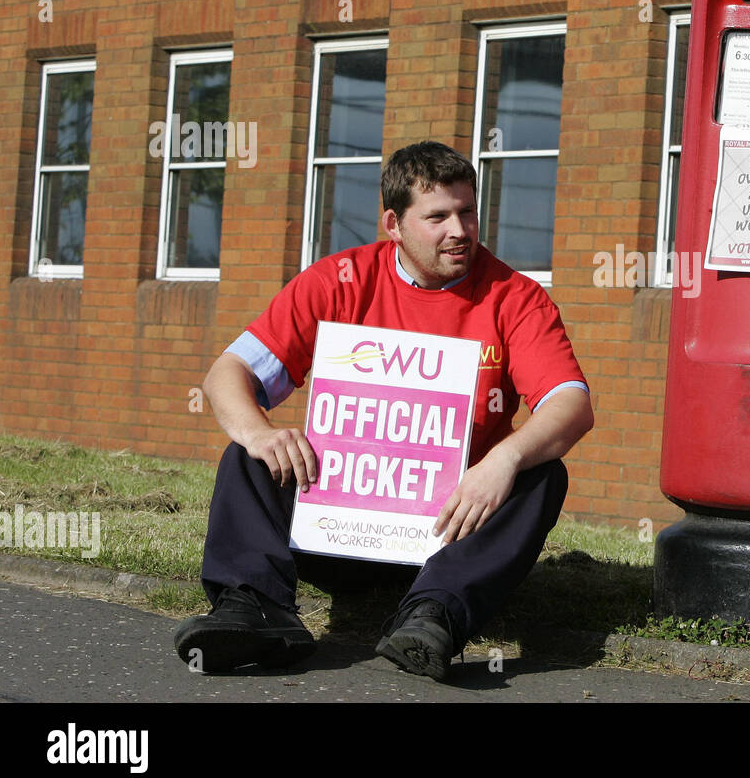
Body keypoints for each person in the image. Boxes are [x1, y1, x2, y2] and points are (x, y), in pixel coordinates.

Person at [173, 140, 594, 682]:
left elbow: (571, 403)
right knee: (250, 452)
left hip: (450, 534)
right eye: (437, 216)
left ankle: (432, 617)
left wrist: (505, 459)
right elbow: (227, 374)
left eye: (467, 211)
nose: (460, 231)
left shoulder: (515, 297)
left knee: (542, 473)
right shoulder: (339, 280)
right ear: (393, 223)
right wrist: (259, 432)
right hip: (335, 527)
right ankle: (254, 609)